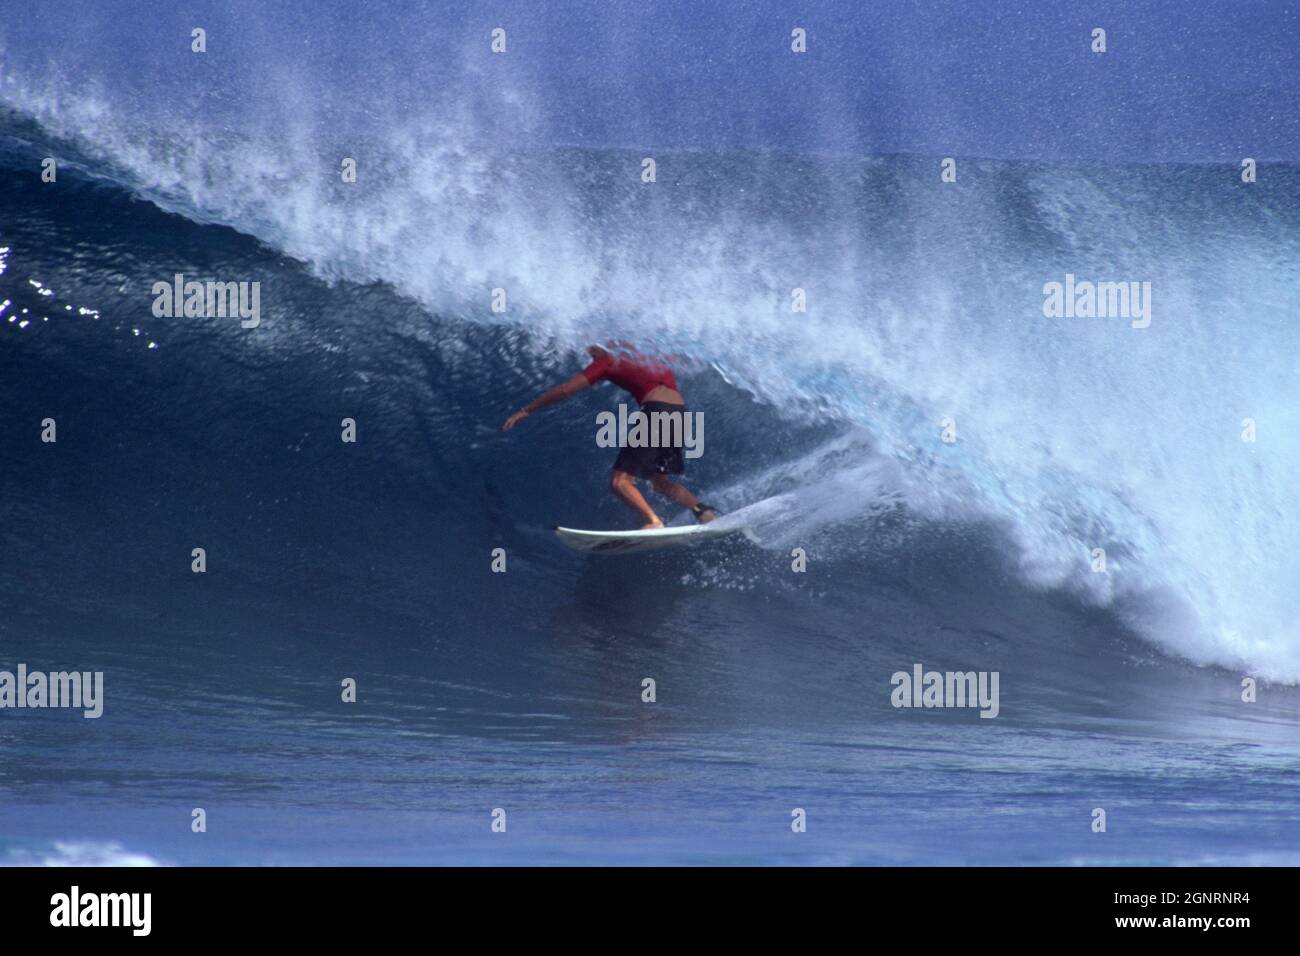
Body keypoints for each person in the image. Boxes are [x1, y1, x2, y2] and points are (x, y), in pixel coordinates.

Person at [502, 345, 718, 529]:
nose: (591, 356)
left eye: (592, 351)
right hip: (680, 413)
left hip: (657, 411)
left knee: (620, 481)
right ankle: (703, 513)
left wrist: (527, 410)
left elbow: (566, 390)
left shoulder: (608, 360)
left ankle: (653, 521)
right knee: (660, 482)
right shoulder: (648, 353)